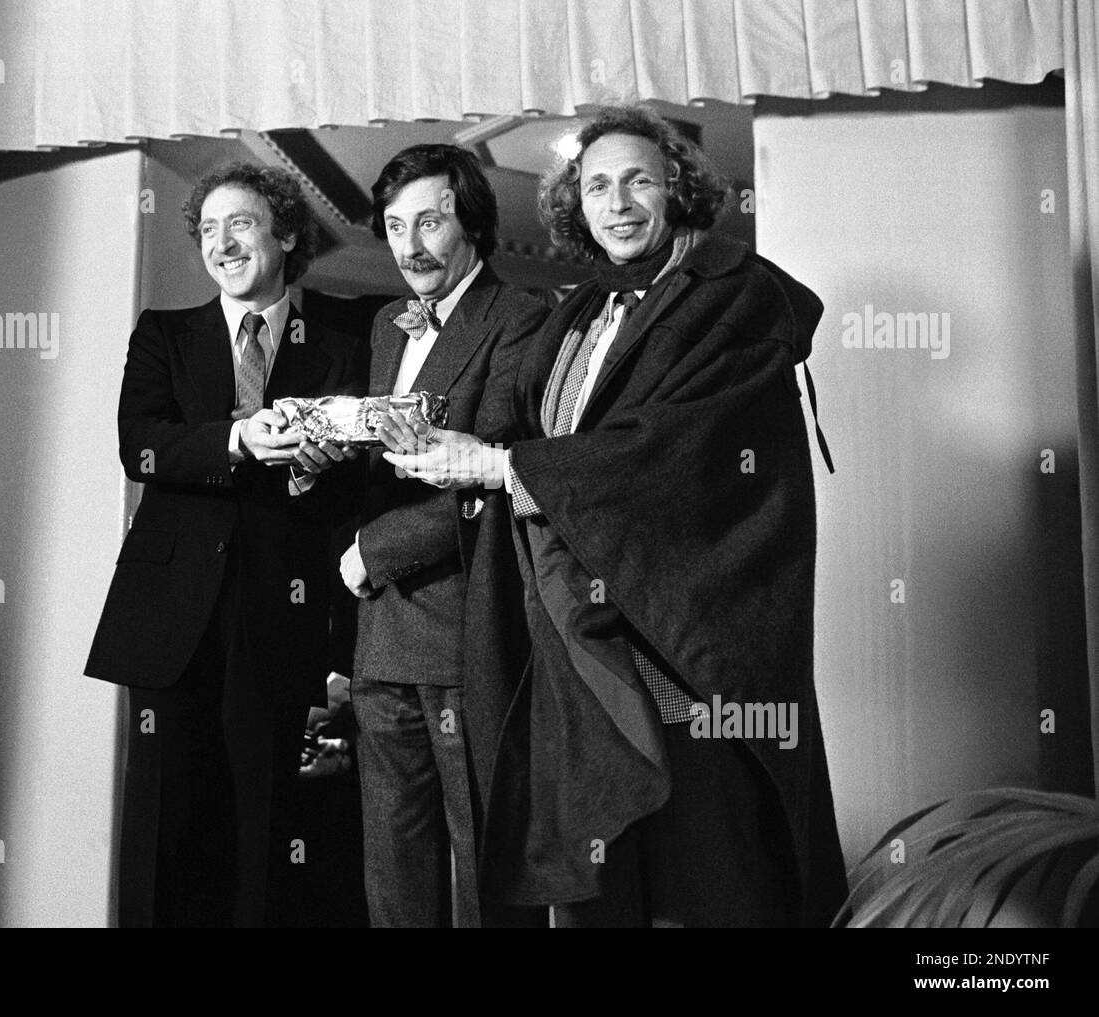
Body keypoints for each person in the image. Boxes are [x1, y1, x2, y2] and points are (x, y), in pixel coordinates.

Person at [385, 105, 848, 927]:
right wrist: (453, 444)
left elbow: (677, 450)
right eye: (597, 185)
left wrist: (501, 466)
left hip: (685, 641)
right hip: (580, 642)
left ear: (678, 188)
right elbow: (526, 426)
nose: (618, 201)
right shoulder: (573, 313)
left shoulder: (732, 295)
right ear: (576, 204)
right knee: (606, 881)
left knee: (712, 878)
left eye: (639, 179)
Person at [84, 161, 366, 927]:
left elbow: (362, 483)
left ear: (284, 233)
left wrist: (315, 473)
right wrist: (239, 440)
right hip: (173, 615)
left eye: (238, 222)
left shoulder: (345, 336)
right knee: (169, 820)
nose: (221, 241)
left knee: (273, 823)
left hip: (289, 611)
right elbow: (140, 446)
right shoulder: (164, 334)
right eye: (207, 228)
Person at [338, 144, 547, 927]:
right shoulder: (386, 327)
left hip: (466, 629)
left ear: (474, 223)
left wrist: (371, 553)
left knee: (484, 865)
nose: (408, 245)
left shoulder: (521, 318)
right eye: (394, 226)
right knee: (394, 864)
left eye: (429, 220)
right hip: (380, 636)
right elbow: (383, 469)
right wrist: (319, 463)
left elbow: (489, 478)